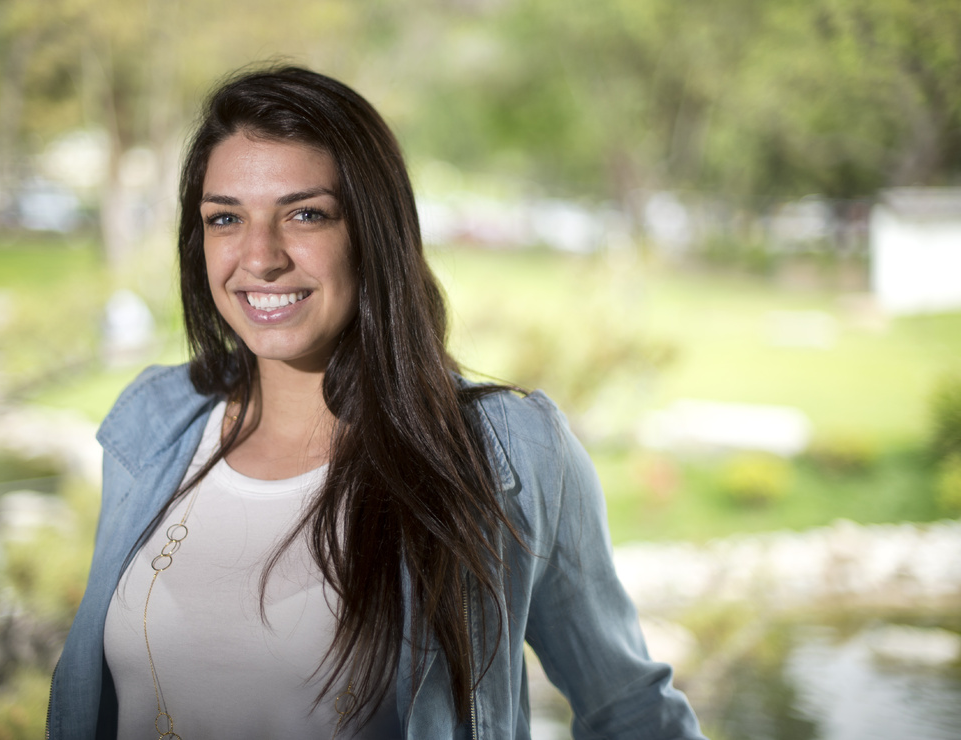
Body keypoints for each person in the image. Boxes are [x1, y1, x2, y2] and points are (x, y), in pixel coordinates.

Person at [46, 65, 706, 740]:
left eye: (305, 214)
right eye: (226, 218)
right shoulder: (155, 424)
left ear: (372, 230)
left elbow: (632, 712)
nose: (260, 256)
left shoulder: (509, 452)